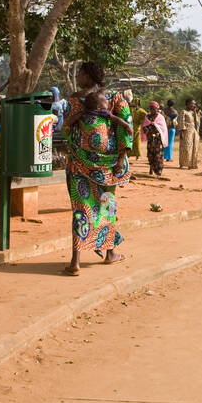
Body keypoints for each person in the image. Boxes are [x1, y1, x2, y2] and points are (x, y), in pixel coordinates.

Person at [63, 88, 131, 275]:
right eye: (104, 103)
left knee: (81, 212)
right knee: (107, 208)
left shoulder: (80, 112)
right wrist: (120, 158)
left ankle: (76, 262)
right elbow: (123, 126)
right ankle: (109, 253)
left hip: (82, 168)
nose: (108, 104)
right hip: (106, 171)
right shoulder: (111, 107)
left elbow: (67, 129)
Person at [141, 101, 169, 177]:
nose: (152, 110)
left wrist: (157, 133)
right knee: (150, 154)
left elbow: (163, 129)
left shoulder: (160, 117)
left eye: (153, 108)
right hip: (150, 139)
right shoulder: (147, 117)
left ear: (157, 108)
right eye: (150, 108)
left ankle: (158, 172)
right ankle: (151, 168)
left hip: (158, 140)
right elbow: (144, 126)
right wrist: (145, 129)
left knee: (158, 155)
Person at [177, 98, 200, 169]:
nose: (193, 105)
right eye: (191, 103)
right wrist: (181, 131)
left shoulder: (193, 113)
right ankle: (184, 163)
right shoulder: (184, 112)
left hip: (193, 131)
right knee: (186, 148)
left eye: (194, 104)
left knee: (194, 147)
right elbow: (181, 122)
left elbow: (197, 121)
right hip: (186, 131)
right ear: (187, 104)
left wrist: (195, 112)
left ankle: (192, 163)